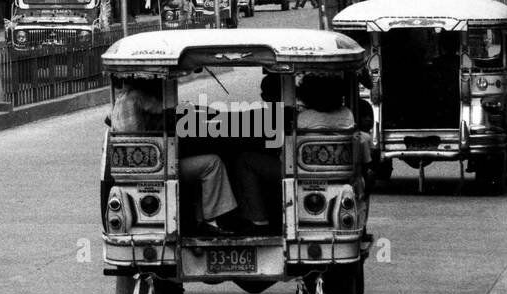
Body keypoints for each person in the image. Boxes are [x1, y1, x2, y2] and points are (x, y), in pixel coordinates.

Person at [229, 73, 360, 231]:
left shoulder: (305, 118)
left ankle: (258, 220)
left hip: (300, 173)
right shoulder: (347, 115)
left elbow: (286, 155)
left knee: (245, 160)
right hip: (336, 175)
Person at [111, 82, 240, 235]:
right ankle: (211, 221)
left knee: (200, 170)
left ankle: (198, 221)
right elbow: (168, 110)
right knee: (213, 163)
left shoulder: (119, 100)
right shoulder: (138, 96)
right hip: (157, 166)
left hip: (136, 167)